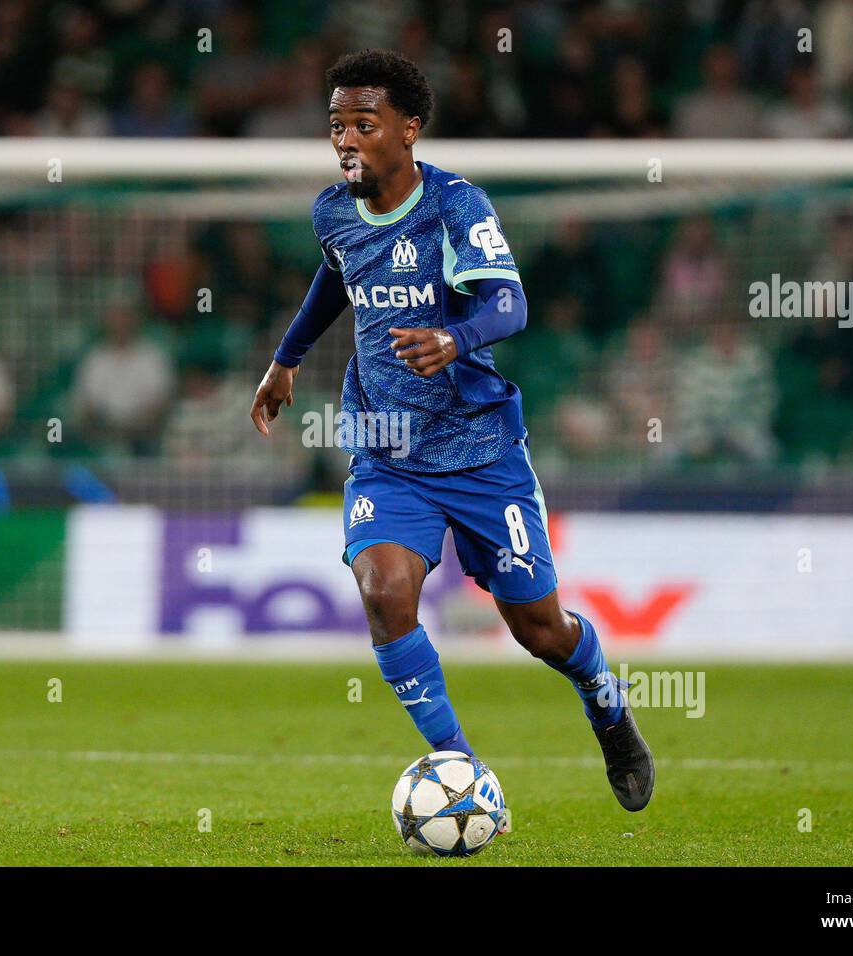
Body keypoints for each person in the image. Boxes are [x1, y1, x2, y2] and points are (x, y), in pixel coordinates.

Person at [249, 50, 654, 814]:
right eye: (336, 126)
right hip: (386, 449)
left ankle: (607, 705)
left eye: (363, 125)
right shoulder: (332, 210)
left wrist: (453, 340)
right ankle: (461, 774)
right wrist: (286, 360)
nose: (345, 141)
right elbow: (338, 274)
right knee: (384, 592)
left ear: (408, 130)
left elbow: (509, 305)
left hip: (480, 452)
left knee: (540, 630)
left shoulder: (456, 206)